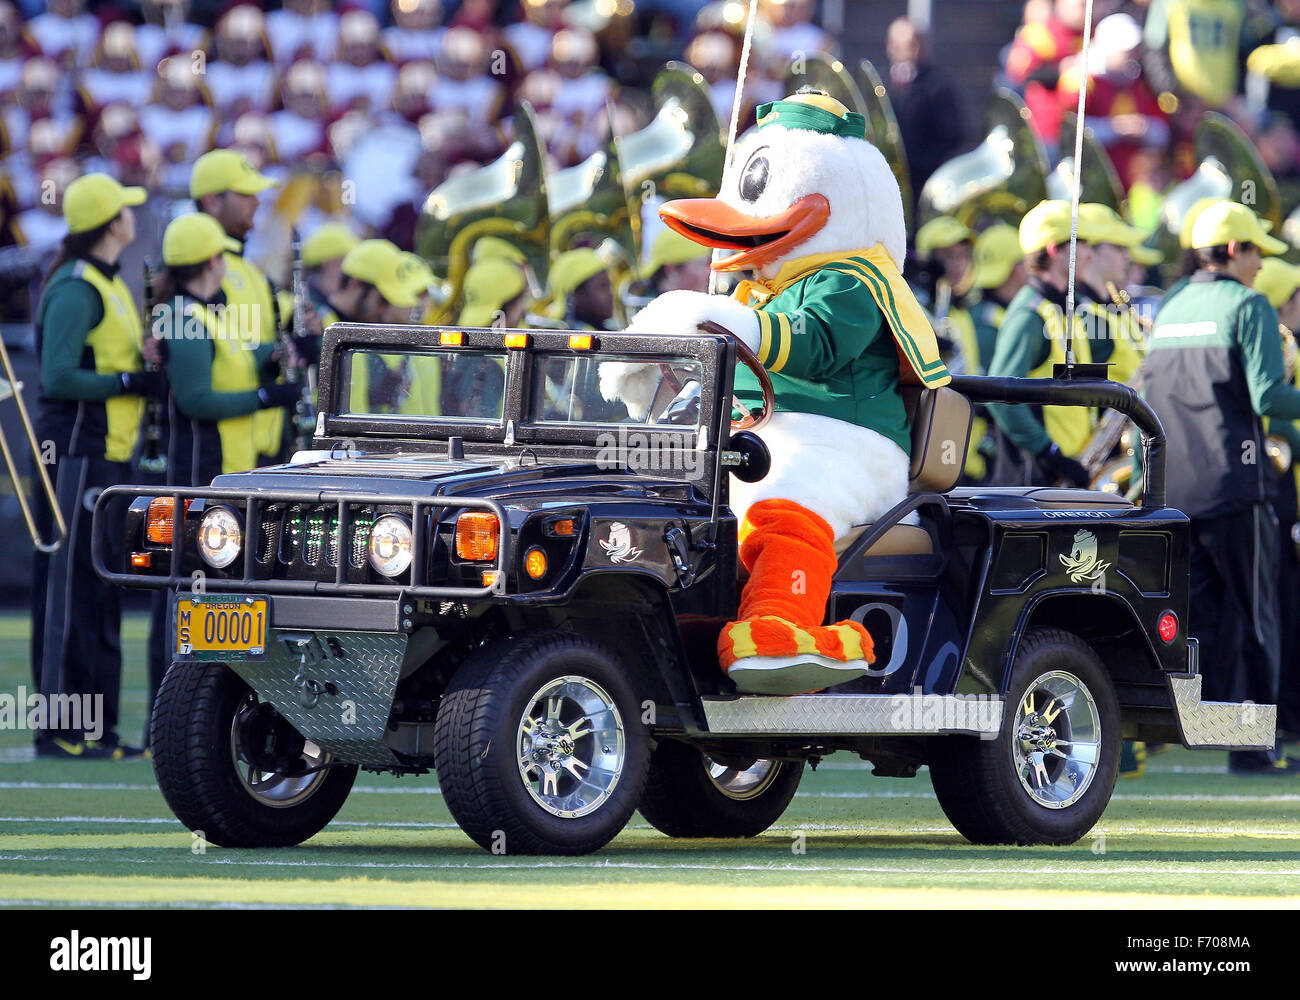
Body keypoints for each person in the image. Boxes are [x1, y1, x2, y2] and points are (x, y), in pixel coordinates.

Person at [1142, 200, 1300, 775]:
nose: (1262, 266)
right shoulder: (1248, 304)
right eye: (1257, 251)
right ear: (1235, 251)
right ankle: (1254, 747)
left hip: (1176, 485)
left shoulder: (1174, 303)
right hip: (1236, 480)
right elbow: (1268, 398)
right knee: (1257, 618)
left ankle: (1201, 733)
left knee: (1198, 621)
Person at [143, 214, 301, 746]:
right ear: (214, 262)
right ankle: (171, 719)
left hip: (220, 471)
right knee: (186, 594)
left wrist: (272, 356)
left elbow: (234, 360)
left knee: (216, 596)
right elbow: (197, 399)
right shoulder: (183, 316)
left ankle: (208, 718)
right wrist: (265, 397)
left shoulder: (204, 314)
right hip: (196, 467)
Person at [33, 173, 158, 759]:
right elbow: (56, 378)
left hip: (107, 458)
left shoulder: (107, 283)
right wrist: (130, 380)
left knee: (102, 590)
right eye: (125, 211)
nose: (133, 217)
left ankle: (98, 730)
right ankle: (58, 727)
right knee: (67, 592)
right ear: (113, 224)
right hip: (75, 456)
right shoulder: (77, 287)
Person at [985, 200, 1094, 487]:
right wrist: (1049, 453)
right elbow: (1001, 396)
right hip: (1036, 483)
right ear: (1052, 250)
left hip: (1064, 474)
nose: (1090, 254)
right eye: (1080, 243)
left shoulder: (1065, 308)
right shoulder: (1029, 315)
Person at [190, 148, 287, 466]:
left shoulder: (249, 269)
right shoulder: (194, 266)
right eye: (245, 193)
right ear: (210, 201)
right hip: (213, 449)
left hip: (259, 444)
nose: (257, 201)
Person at [1243, 256, 1300, 748]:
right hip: (1270, 491)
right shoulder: (1281, 344)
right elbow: (1276, 420)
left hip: (1273, 491)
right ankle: (1272, 721)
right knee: (1275, 610)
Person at [885, 17, 968, 203]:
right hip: (887, 178)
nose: (909, 49)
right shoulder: (880, 83)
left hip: (924, 181)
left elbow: (954, 134)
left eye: (914, 43)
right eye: (900, 44)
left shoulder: (938, 84)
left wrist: (920, 162)